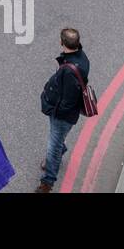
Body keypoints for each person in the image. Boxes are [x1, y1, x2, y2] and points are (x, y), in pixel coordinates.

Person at [37, 27, 91, 193]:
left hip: (62, 117)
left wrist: (55, 112)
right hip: (69, 115)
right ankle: (60, 149)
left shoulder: (69, 71)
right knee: (57, 140)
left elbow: (67, 100)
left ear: (62, 43)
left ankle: (47, 183)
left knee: (53, 147)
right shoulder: (82, 58)